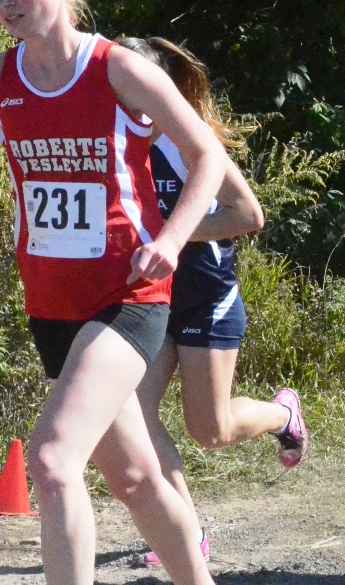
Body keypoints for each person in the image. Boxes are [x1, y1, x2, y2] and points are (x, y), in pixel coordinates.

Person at [0, 1, 229, 583]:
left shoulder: (117, 68)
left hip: (128, 295)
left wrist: (172, 241)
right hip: (52, 305)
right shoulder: (5, 78)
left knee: (52, 461)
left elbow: (208, 156)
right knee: (135, 481)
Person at [115, 36, 310, 568]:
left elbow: (248, 215)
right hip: (148, 301)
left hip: (207, 297)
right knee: (132, 409)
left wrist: (170, 235)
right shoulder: (112, 139)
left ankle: (282, 415)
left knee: (211, 430)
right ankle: (186, 534)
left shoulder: (190, 144)